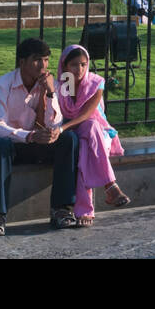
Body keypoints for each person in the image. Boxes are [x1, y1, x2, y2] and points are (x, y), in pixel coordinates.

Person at [0, 37, 80, 235]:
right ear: (22, 62)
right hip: (10, 146)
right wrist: (29, 136)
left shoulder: (48, 84)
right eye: (37, 60)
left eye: (46, 60)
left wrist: (51, 94)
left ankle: (61, 209)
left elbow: (54, 123)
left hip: (36, 143)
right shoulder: (2, 85)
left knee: (69, 139)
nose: (43, 65)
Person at [56, 44, 129, 226]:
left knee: (88, 140)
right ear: (65, 65)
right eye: (74, 65)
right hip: (71, 131)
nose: (79, 69)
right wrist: (63, 129)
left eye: (83, 64)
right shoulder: (60, 86)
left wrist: (64, 129)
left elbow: (86, 114)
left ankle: (86, 209)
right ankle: (110, 187)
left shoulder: (96, 82)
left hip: (96, 132)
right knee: (83, 142)